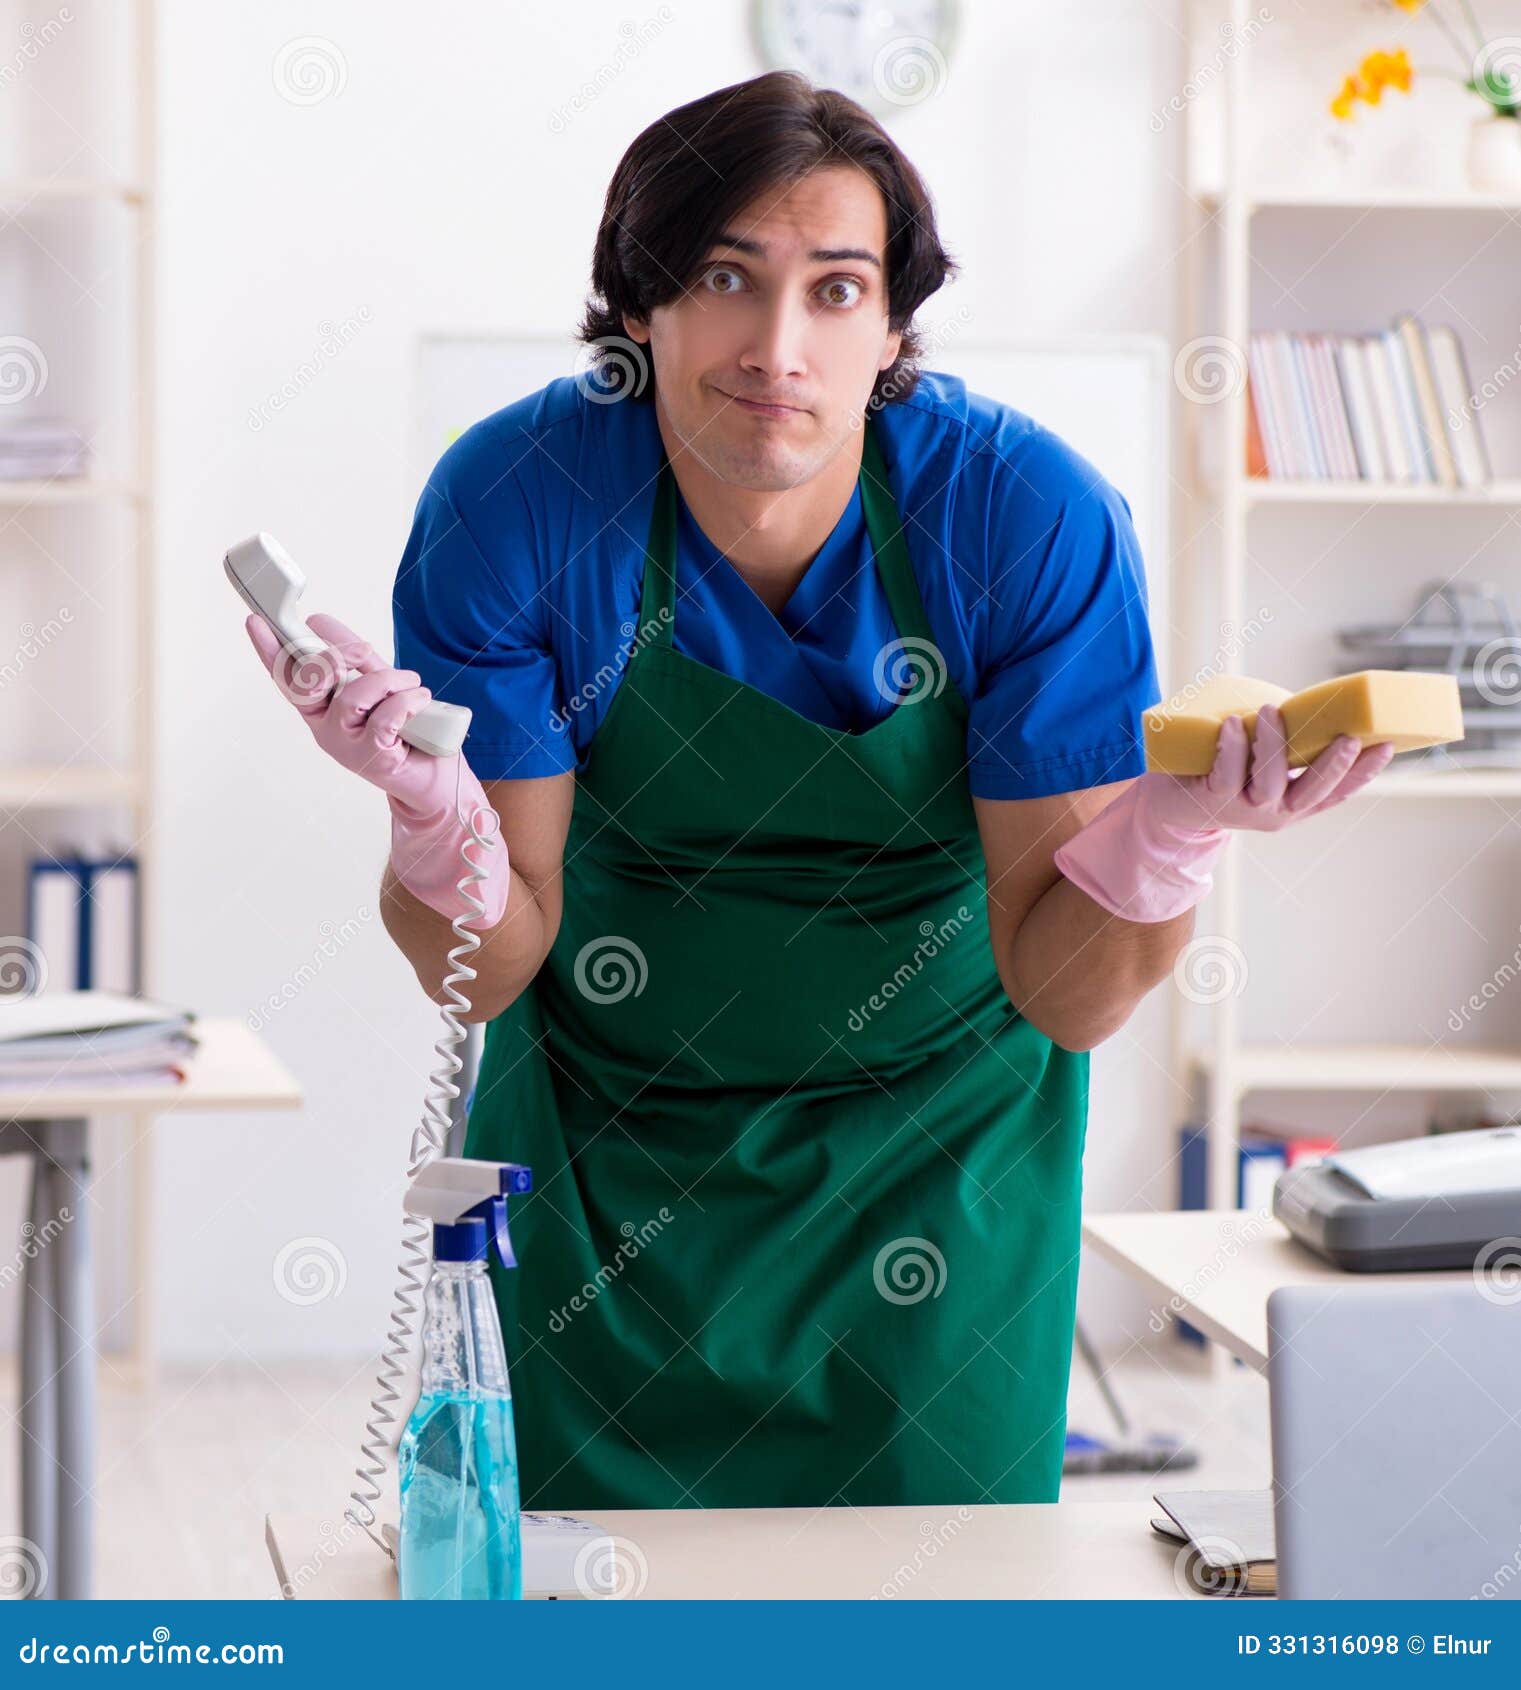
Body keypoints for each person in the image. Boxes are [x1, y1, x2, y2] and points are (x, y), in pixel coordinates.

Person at [244, 71, 1394, 1511]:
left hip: (939, 1165)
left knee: (929, 1625)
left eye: (837, 289)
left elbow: (1069, 992)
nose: (778, 346)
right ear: (640, 301)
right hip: (610, 1165)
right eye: (726, 277)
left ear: (893, 325)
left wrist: (1168, 834)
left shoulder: (1023, 515)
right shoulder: (520, 497)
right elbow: (487, 967)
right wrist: (433, 820)